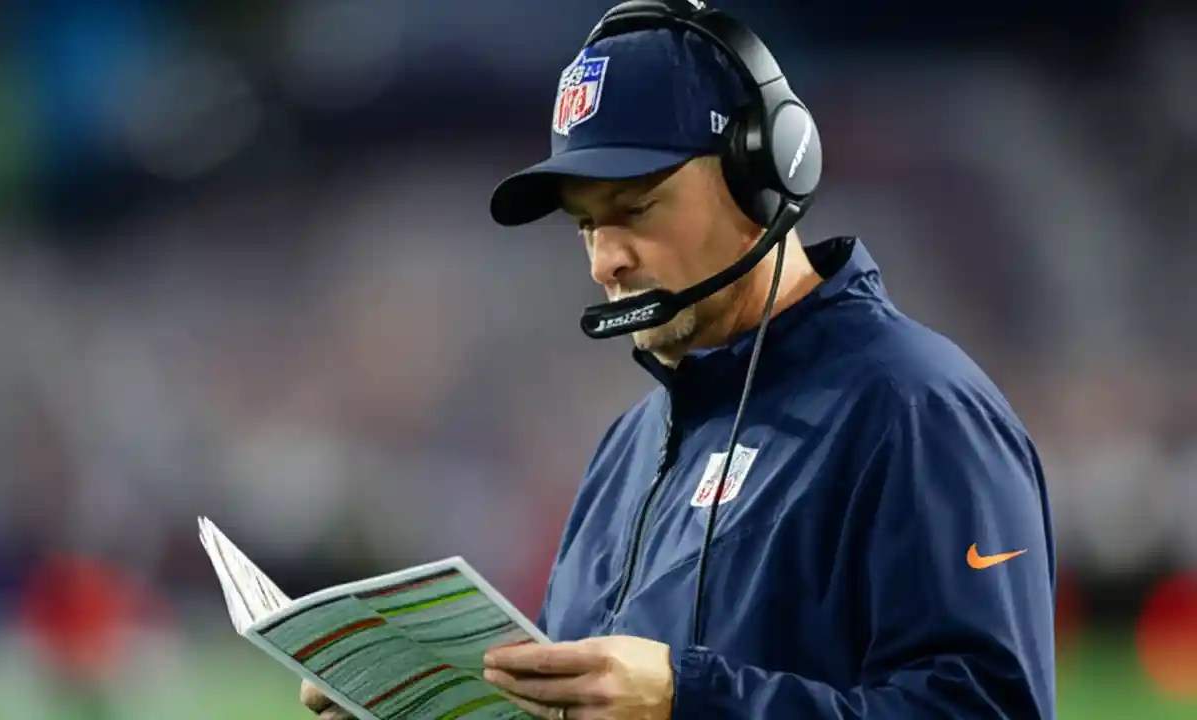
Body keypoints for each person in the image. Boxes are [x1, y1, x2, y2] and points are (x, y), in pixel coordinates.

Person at [302, 3, 1056, 719]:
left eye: (633, 209)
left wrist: (687, 701)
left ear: (762, 176)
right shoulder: (631, 444)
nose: (606, 260)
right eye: (586, 225)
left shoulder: (916, 408)